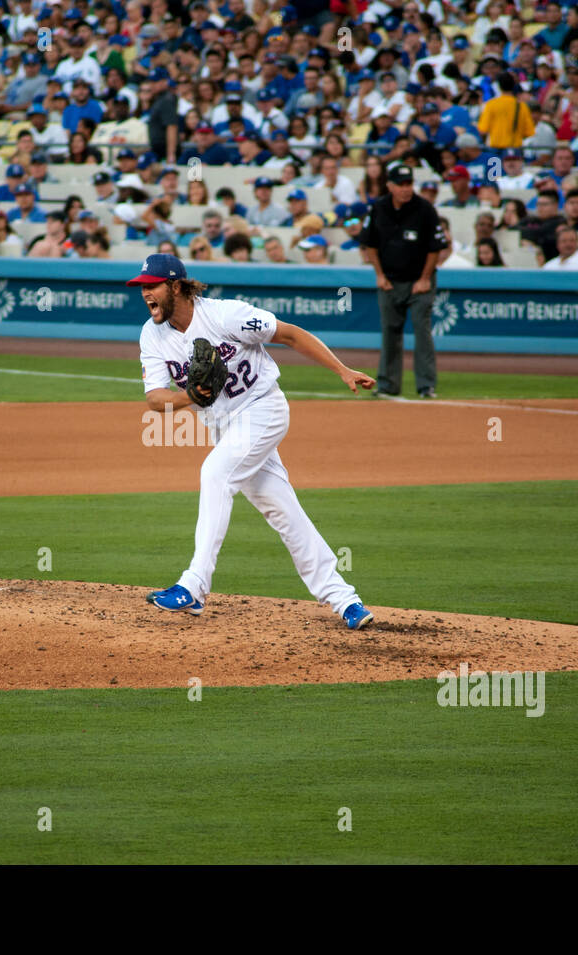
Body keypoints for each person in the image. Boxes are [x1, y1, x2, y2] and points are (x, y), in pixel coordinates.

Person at [130, 253, 376, 630]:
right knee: (283, 511)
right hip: (224, 427)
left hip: (263, 409)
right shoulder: (152, 334)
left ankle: (194, 585)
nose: (145, 293)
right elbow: (155, 400)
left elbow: (290, 334)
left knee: (215, 473)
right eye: (142, 287)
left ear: (176, 286)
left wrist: (342, 370)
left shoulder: (227, 315)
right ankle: (346, 600)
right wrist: (191, 397)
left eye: (152, 286)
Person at [359, 163, 447, 399]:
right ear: (390, 186)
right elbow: (370, 244)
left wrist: (425, 278)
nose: (406, 189)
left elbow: (435, 248)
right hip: (389, 281)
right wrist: (379, 275)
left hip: (420, 282)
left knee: (422, 331)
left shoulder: (425, 209)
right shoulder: (378, 208)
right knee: (390, 332)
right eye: (401, 184)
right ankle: (387, 385)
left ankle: (426, 386)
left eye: (409, 184)